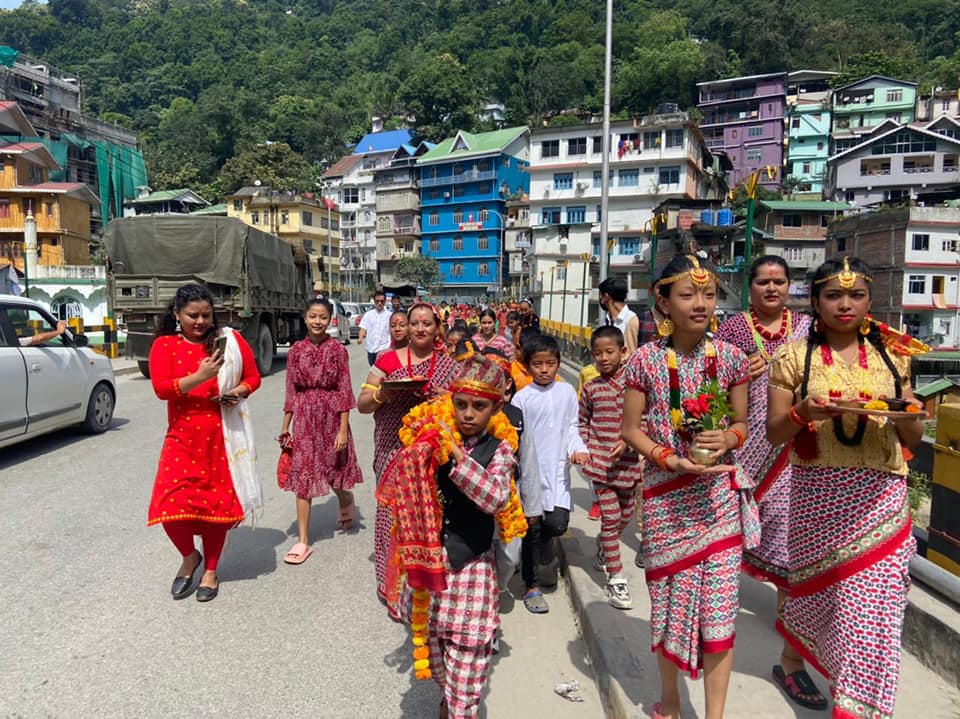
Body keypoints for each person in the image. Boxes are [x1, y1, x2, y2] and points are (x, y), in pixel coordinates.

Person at [766, 257, 925, 719]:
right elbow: (777, 431)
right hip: (818, 495)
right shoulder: (795, 356)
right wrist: (804, 414)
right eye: (833, 295)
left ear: (870, 301)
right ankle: (794, 662)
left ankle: (858, 707)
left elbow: (910, 436)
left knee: (870, 611)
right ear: (815, 301)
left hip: (882, 498)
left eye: (856, 295)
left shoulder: (893, 357)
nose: (845, 305)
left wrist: (909, 416)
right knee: (820, 596)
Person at [620, 255, 751, 719]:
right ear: (663, 301)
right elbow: (630, 429)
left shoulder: (732, 358)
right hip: (665, 501)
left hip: (718, 500)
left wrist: (729, 438)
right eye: (688, 294)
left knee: (720, 613)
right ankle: (671, 701)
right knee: (668, 605)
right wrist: (667, 457)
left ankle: (714, 716)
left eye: (710, 294)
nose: (701, 303)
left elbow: (742, 424)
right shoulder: (643, 360)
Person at [377, 355, 516, 719]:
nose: (469, 414)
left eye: (479, 406)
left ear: (496, 408)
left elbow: (496, 498)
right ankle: (449, 697)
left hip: (471, 572)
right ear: (450, 401)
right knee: (439, 668)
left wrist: (455, 458)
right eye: (461, 404)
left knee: (466, 687)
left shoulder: (499, 451)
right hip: (430, 579)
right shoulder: (430, 440)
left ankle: (459, 706)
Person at [714, 255, 821, 709]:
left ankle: (787, 631)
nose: (772, 288)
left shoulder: (808, 330)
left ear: (790, 286)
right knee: (740, 525)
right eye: (763, 281)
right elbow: (711, 382)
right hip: (746, 445)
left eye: (780, 281)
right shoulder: (734, 330)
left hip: (795, 448)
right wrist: (741, 373)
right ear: (750, 285)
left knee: (785, 539)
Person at [147, 283, 263, 603]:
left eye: (206, 315)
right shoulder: (164, 346)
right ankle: (189, 557)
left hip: (221, 436)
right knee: (169, 506)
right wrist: (200, 375)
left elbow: (252, 377)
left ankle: (211, 569)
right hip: (182, 438)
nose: (200, 322)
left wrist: (237, 392)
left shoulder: (229, 341)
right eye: (192, 316)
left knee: (216, 508)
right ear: (176, 315)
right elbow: (161, 389)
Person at [358, 303, 458, 604]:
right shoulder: (387, 361)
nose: (420, 328)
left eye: (427, 323)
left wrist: (449, 397)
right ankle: (390, 585)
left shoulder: (449, 364)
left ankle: (428, 583)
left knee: (430, 514)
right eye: (415, 323)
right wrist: (382, 394)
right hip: (392, 447)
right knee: (391, 513)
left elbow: (468, 406)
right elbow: (362, 404)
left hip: (431, 452)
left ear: (437, 327)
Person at [279, 298, 363, 565]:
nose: (317, 321)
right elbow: (291, 391)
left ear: (330, 320)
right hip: (304, 416)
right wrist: (285, 427)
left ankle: (346, 499)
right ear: (305, 318)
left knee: (333, 471)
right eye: (313, 316)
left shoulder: (338, 350)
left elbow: (344, 390)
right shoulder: (295, 351)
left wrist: (342, 430)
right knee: (303, 474)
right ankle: (303, 541)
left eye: (323, 317)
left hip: (331, 416)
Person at [512, 334, 588, 614]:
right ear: (528, 366)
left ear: (557, 364)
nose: (544, 369)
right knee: (531, 526)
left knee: (556, 524)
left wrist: (577, 449)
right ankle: (531, 586)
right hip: (531, 474)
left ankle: (539, 556)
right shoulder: (522, 399)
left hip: (557, 472)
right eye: (538, 364)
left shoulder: (567, 392)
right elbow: (515, 438)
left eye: (550, 363)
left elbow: (571, 427)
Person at [579, 326, 643, 609]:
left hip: (628, 467)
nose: (603, 358)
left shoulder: (635, 387)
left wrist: (629, 443)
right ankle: (616, 579)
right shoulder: (591, 388)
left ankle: (606, 547)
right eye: (597, 354)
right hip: (601, 467)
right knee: (611, 517)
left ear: (623, 352)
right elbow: (581, 422)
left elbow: (648, 419)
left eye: (609, 352)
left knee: (625, 517)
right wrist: (583, 448)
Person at [598, 276, 640, 354]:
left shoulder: (631, 320)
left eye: (601, 295)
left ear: (606, 297)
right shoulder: (607, 320)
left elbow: (631, 353)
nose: (600, 299)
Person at [358, 291, 392, 366]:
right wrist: (360, 338)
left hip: (384, 348)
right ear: (374, 301)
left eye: (382, 301)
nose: (379, 303)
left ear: (385, 302)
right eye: (377, 301)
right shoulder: (368, 315)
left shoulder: (389, 315)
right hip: (371, 348)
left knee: (382, 369)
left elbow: (392, 331)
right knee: (373, 368)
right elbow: (363, 328)